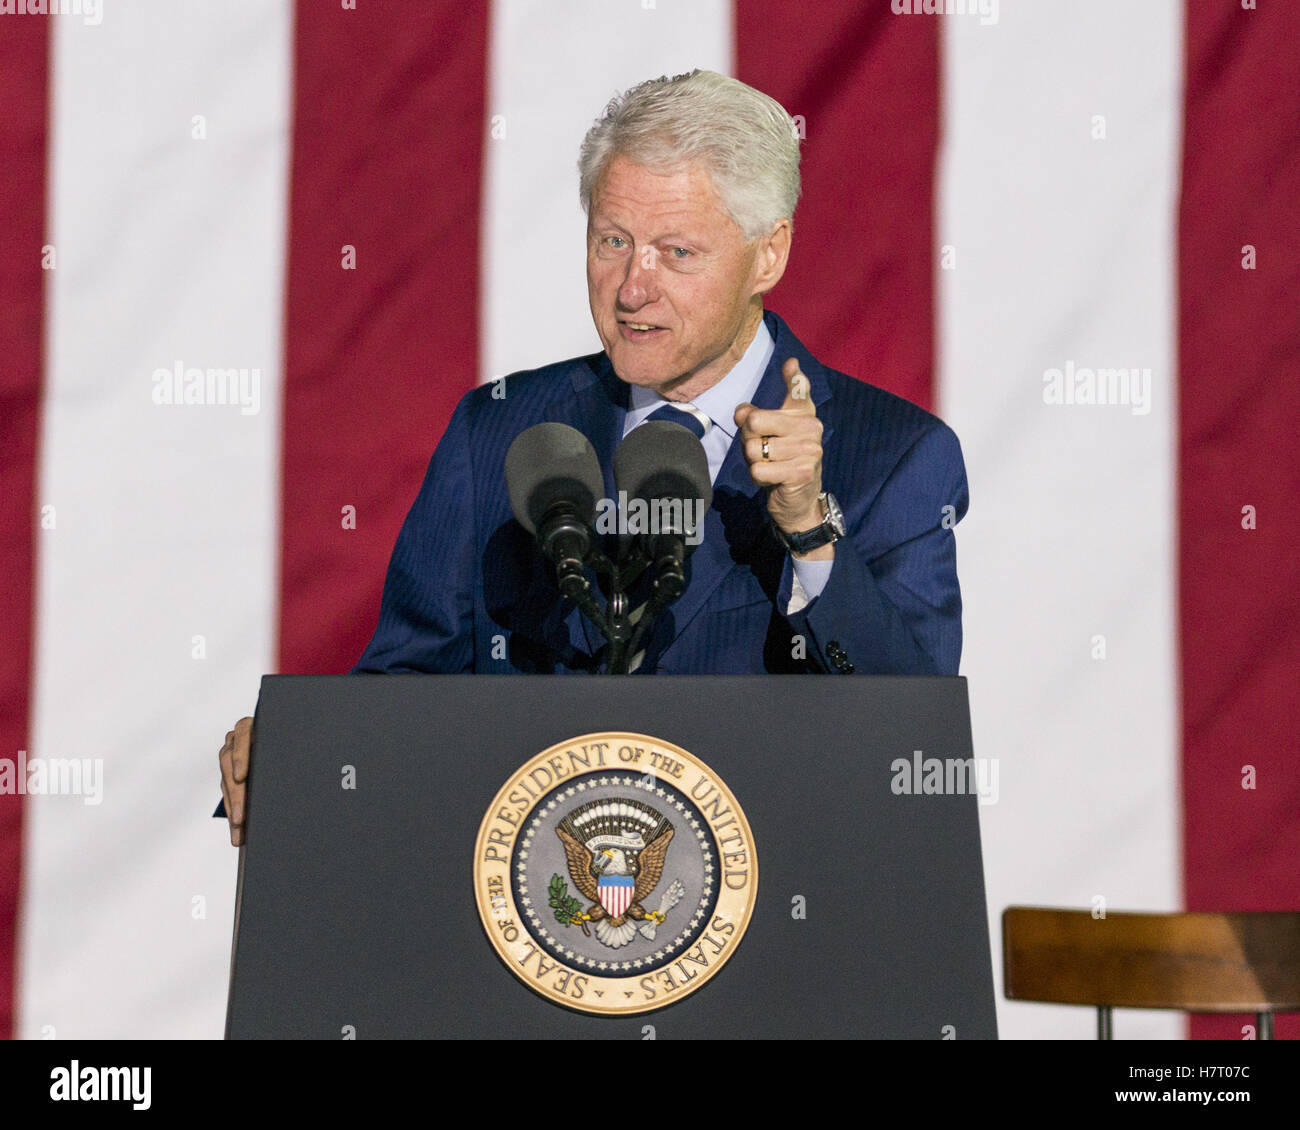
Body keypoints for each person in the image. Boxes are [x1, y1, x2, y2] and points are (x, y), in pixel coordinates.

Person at [217, 69, 969, 845]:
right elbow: (408, 691)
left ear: (768, 255)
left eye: (676, 252)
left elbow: (912, 748)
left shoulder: (894, 457)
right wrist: (303, 752)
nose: (631, 288)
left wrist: (810, 531)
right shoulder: (501, 431)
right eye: (614, 241)